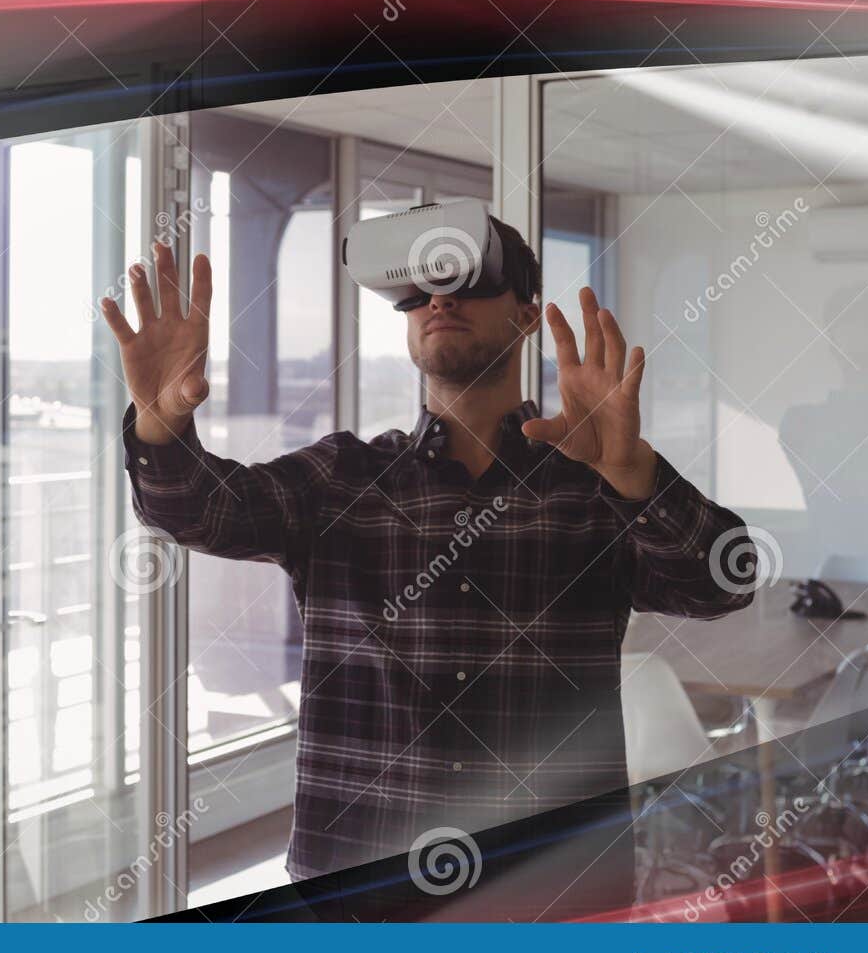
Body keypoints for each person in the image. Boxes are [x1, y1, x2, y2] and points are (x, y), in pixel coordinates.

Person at [97, 217, 753, 903]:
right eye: (416, 290)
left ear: (526, 313)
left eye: (465, 280)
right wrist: (161, 421)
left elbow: (721, 582)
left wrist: (634, 468)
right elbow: (198, 509)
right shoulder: (342, 479)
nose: (437, 300)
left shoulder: (592, 490)